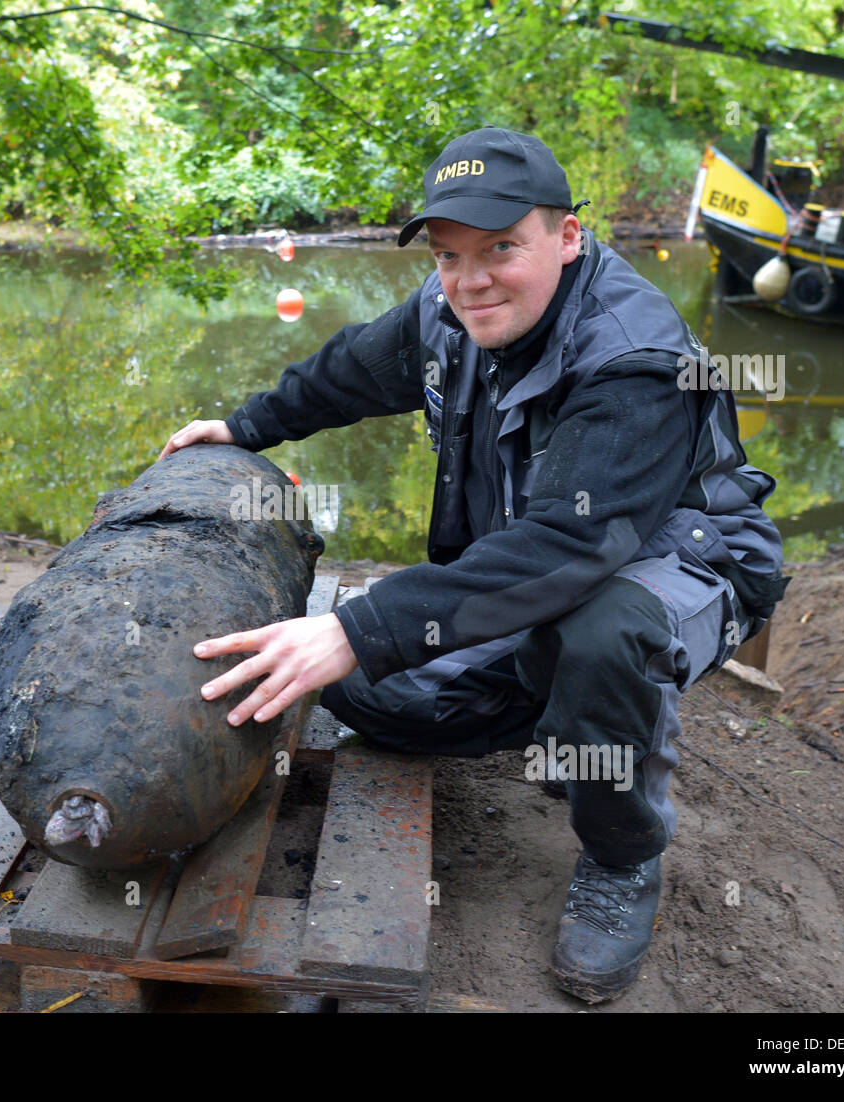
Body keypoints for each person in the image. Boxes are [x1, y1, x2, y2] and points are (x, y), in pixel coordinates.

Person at [157, 126, 789, 1003]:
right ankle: (558, 702)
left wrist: (357, 626)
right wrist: (245, 426)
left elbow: (572, 547)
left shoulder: (635, 362)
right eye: (451, 256)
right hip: (546, 566)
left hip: (679, 557)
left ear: (568, 237)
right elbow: (348, 372)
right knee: (369, 695)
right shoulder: (450, 309)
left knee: (601, 632)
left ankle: (620, 856)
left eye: (502, 248)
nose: (471, 279)